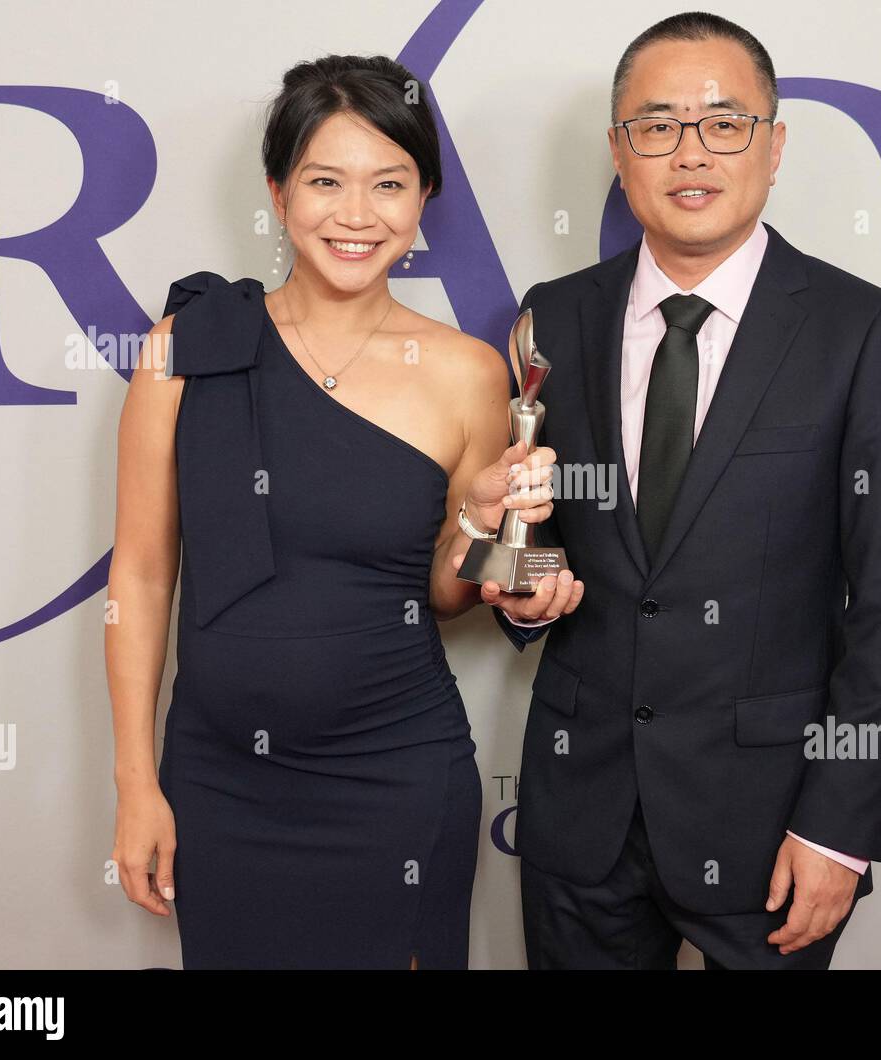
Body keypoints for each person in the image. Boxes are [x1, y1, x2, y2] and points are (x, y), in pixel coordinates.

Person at [456, 12, 881, 969]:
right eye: (657, 124)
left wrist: (841, 824)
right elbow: (541, 537)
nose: (692, 152)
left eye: (725, 124)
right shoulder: (556, 316)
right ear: (618, 150)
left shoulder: (861, 331)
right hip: (579, 818)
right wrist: (516, 595)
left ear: (775, 145)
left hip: (771, 824)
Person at [105, 53, 578, 969]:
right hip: (219, 779)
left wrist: (478, 523)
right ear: (279, 193)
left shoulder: (467, 371)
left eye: (388, 184)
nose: (357, 216)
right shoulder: (187, 350)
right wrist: (135, 783)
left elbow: (446, 593)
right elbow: (141, 573)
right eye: (326, 181)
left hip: (397, 775)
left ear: (425, 198)